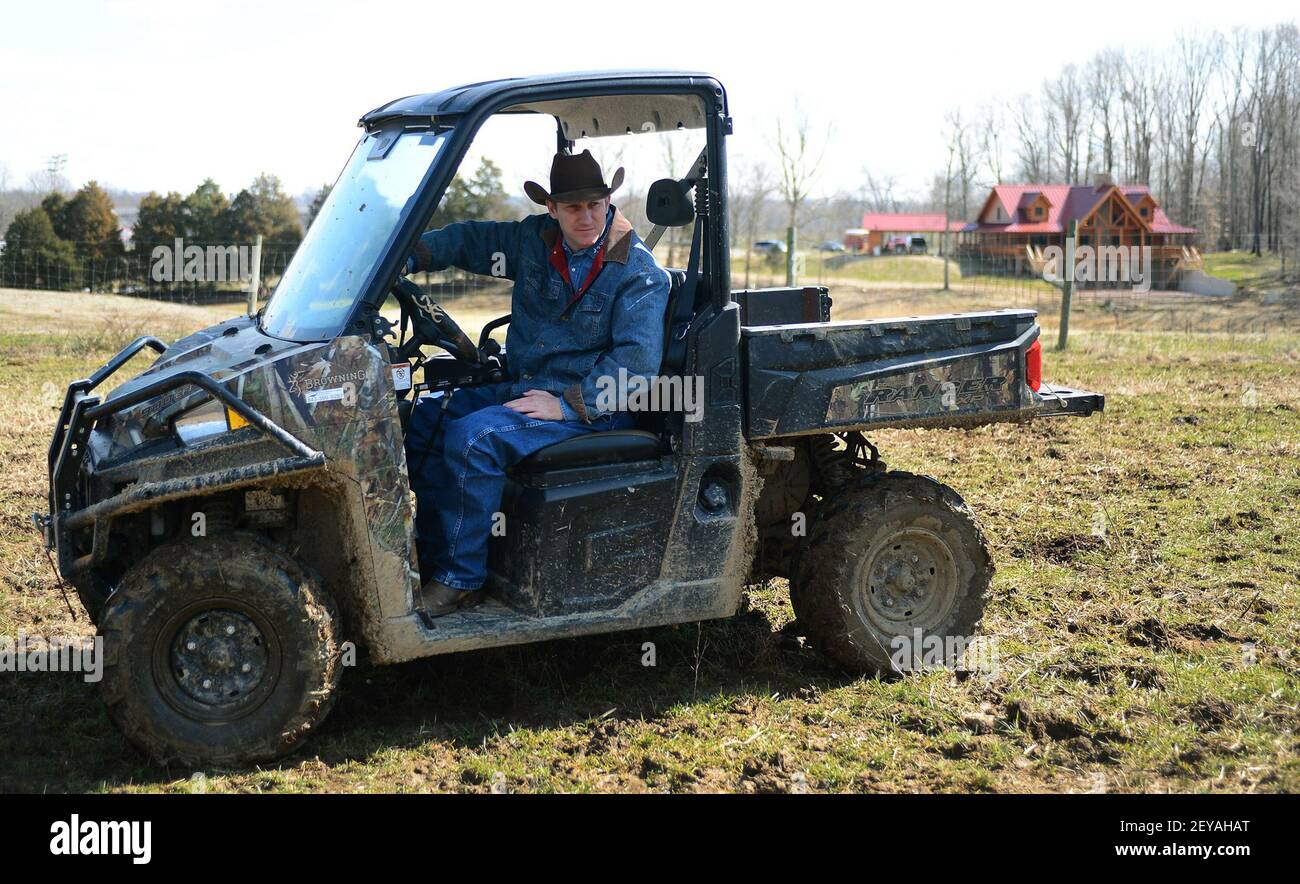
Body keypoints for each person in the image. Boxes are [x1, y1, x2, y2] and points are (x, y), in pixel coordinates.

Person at [404, 150, 671, 616]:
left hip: (592, 409)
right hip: (526, 386)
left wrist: (566, 405)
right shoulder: (534, 240)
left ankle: (460, 578)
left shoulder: (637, 271)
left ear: (609, 200)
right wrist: (407, 256)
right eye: (573, 208)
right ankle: (426, 555)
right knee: (423, 420)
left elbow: (635, 366)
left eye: (595, 204)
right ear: (551, 208)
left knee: (474, 438)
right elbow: (471, 240)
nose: (586, 217)